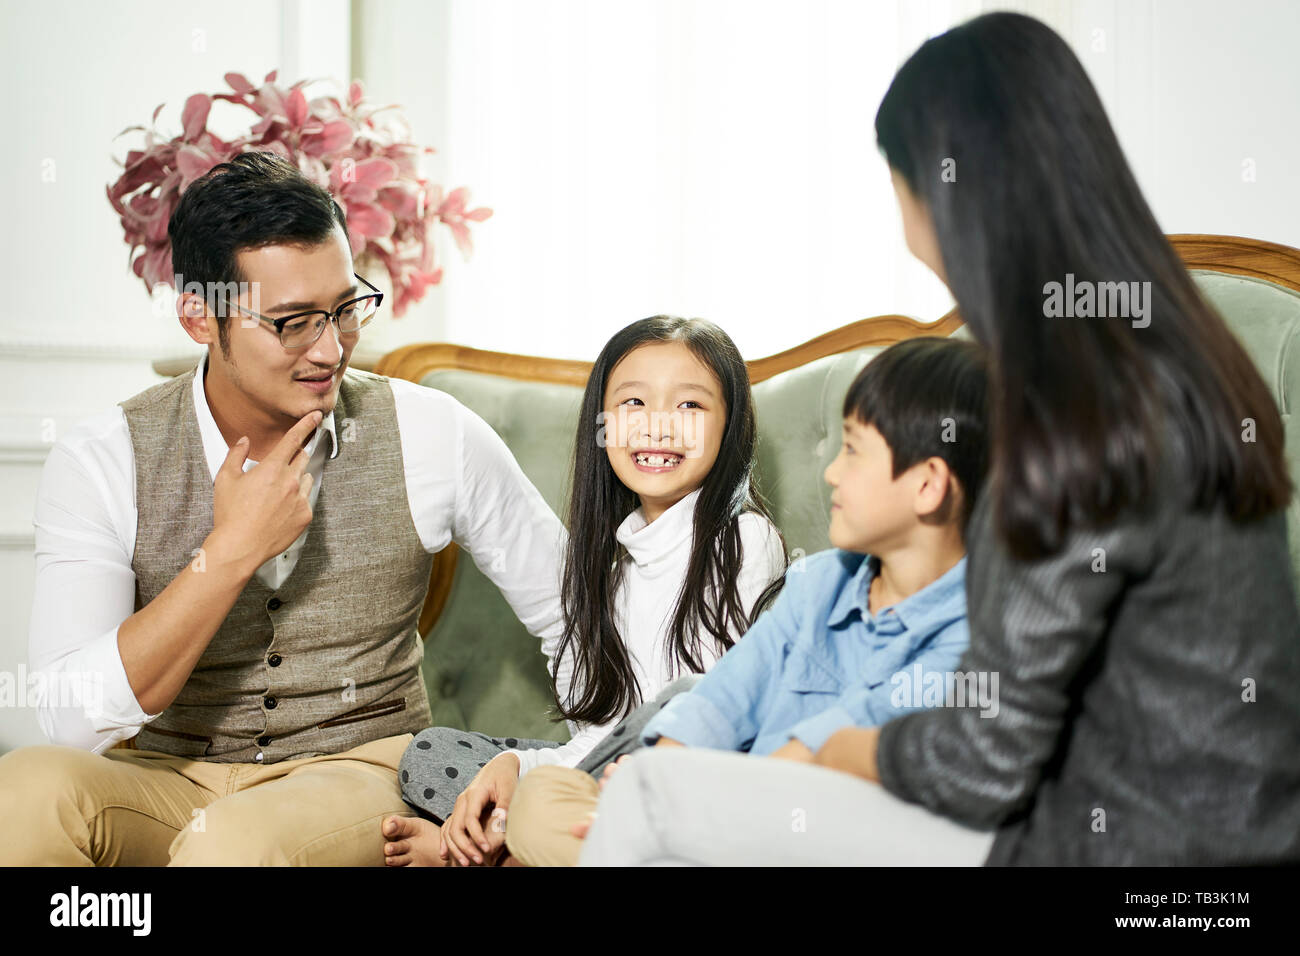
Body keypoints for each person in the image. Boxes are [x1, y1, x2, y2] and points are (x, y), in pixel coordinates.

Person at [578, 11, 1300, 866]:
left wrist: (846, 751)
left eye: (903, 184)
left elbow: (987, 759)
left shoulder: (1081, 396)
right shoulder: (1162, 351)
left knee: (657, 797)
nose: (909, 227)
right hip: (1216, 838)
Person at [0, 151, 567, 866]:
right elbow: (72, 718)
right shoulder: (104, 457)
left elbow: (575, 615)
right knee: (20, 794)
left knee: (231, 849)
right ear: (200, 318)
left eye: (345, 307)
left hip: (360, 774)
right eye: (294, 321)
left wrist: (588, 773)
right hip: (169, 779)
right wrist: (232, 550)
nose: (330, 349)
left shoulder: (433, 432)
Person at [503, 336, 992, 866]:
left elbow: (827, 747)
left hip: (810, 835)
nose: (831, 472)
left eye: (852, 451)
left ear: (928, 487)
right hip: (728, 814)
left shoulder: (976, 636)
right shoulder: (816, 583)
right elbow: (724, 696)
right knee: (541, 801)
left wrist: (698, 801)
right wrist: (656, 777)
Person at [381, 316, 787, 866]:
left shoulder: (745, 540)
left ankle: (502, 849)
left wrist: (539, 788)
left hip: (694, 773)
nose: (658, 427)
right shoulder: (611, 573)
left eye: (689, 407)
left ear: (730, 426)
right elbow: (603, 730)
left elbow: (700, 720)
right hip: (606, 773)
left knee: (677, 704)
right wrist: (515, 770)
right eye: (634, 404)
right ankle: (523, 839)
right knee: (429, 756)